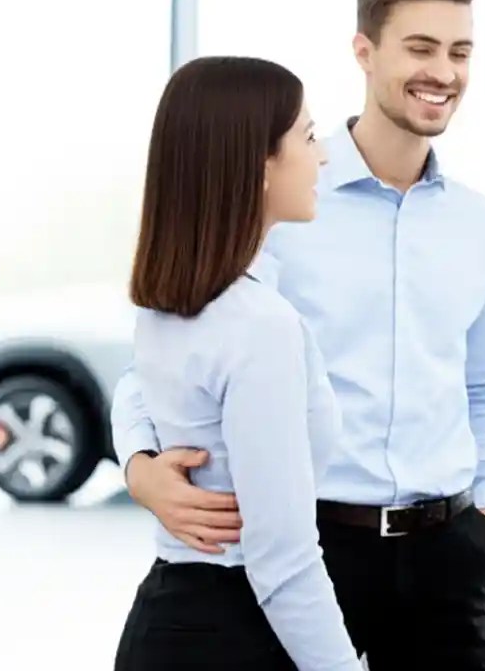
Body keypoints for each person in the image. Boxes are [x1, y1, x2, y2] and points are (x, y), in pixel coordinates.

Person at [110, 0, 485, 670]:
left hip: (447, 556)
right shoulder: (282, 186)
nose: (443, 73)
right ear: (364, 50)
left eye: (460, 52)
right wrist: (139, 464)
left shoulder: (481, 223)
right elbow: (165, 358)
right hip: (311, 548)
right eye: (420, 48)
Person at [111, 55, 361, 671]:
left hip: (166, 621)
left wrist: (138, 463)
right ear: (258, 164)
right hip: (234, 634)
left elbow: (135, 389)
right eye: (306, 136)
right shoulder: (260, 324)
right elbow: (285, 561)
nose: (323, 155)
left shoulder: (171, 300)